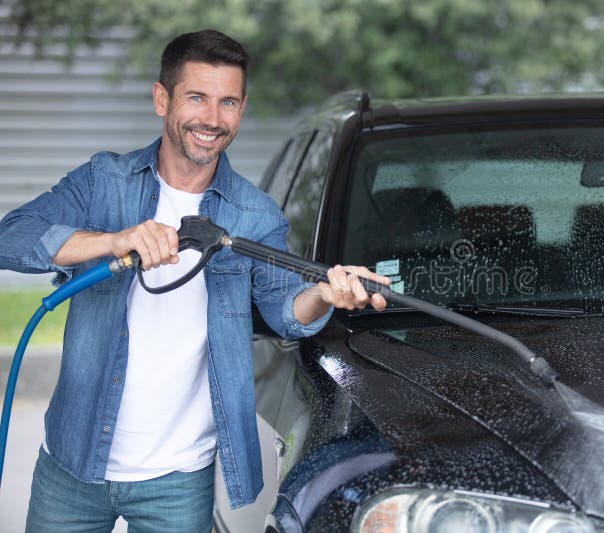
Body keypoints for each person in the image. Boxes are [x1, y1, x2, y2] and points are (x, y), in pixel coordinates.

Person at [0, 29, 388, 532]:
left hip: (178, 480)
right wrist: (113, 240)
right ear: (162, 99)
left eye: (228, 102)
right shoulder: (103, 181)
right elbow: (12, 237)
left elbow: (284, 311)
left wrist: (323, 294)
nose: (212, 118)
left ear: (242, 108)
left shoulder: (253, 213)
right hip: (72, 464)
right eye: (197, 97)